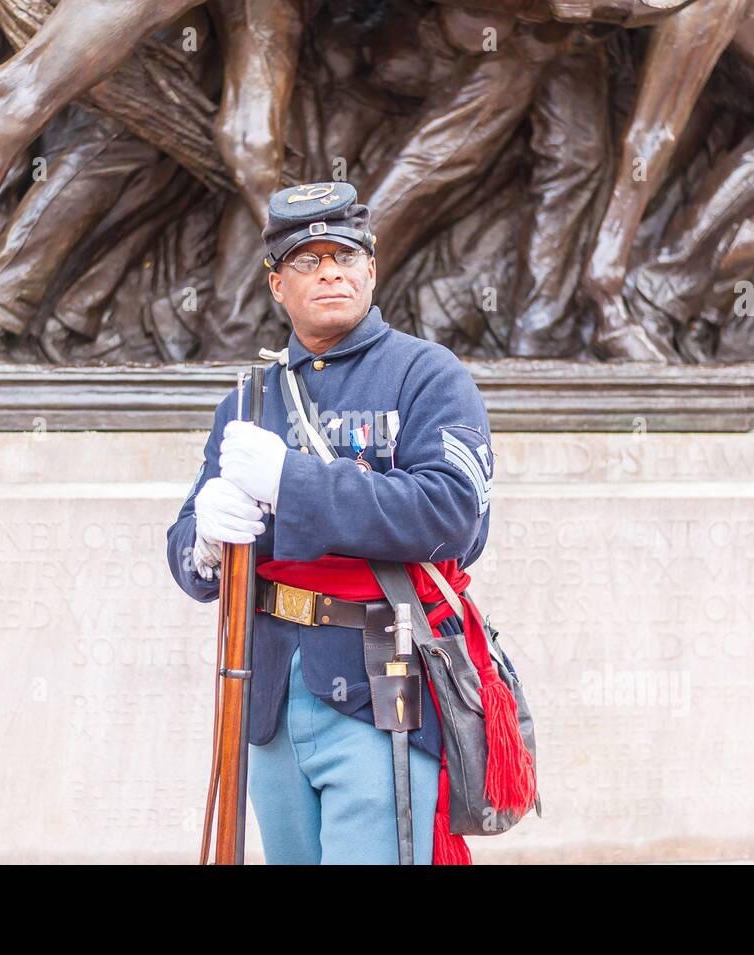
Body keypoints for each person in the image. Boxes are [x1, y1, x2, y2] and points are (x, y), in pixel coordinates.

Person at [165, 180, 505, 864]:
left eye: (345, 256)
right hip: (270, 701)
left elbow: (452, 515)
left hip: (381, 690)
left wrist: (294, 482)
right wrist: (203, 538)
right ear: (276, 285)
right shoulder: (248, 399)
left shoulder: (426, 375)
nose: (329, 271)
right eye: (307, 260)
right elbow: (188, 560)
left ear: (371, 270)